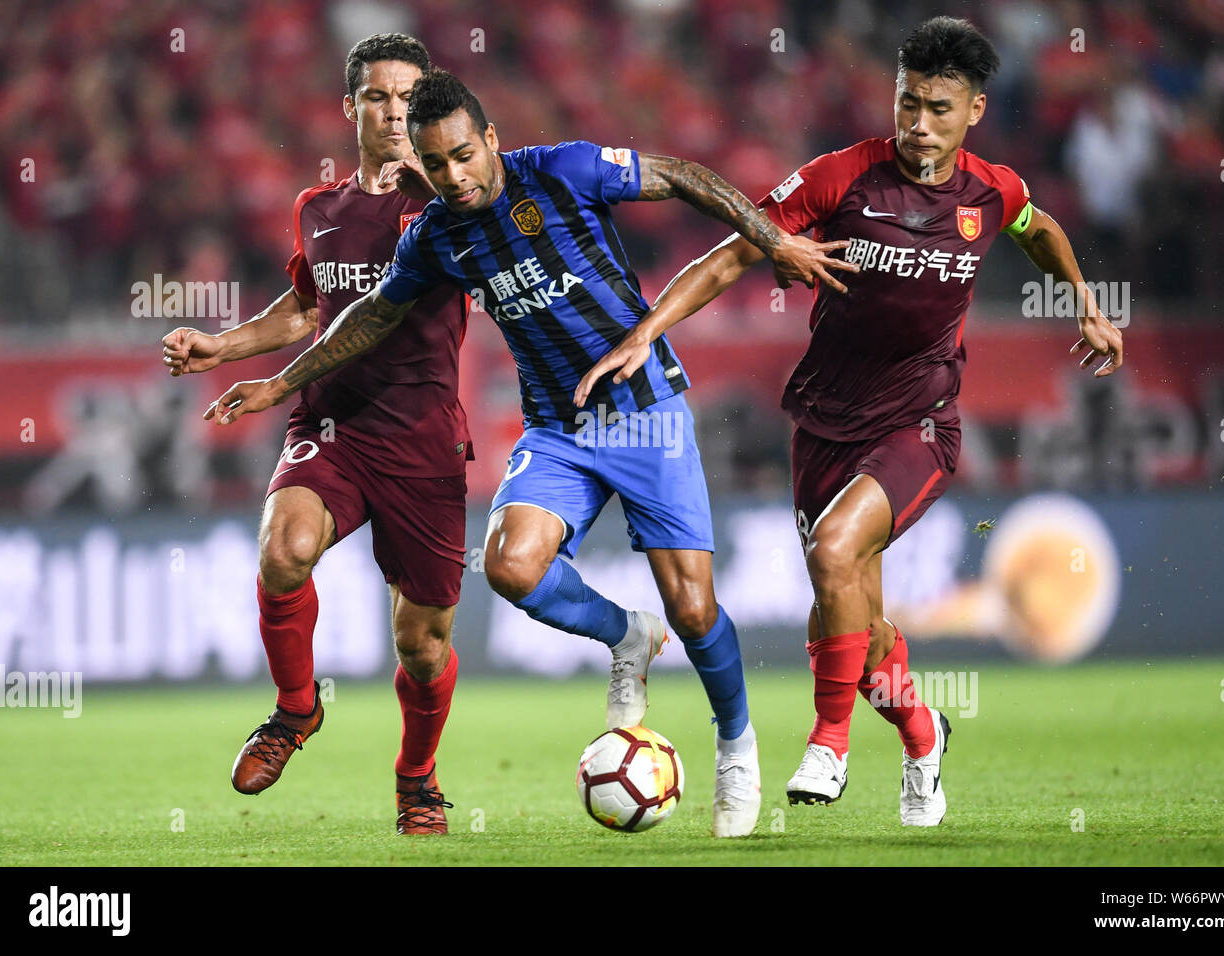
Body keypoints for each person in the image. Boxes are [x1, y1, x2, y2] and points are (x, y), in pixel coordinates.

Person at [205, 68, 851, 838]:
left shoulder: (564, 169)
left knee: (694, 605)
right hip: (557, 426)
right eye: (435, 164)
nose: (453, 175)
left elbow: (679, 176)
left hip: (645, 411)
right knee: (511, 567)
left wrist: (770, 235)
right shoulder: (435, 235)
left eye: (462, 156)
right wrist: (280, 383)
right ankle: (625, 634)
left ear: (491, 142)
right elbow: (370, 318)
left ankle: (736, 745)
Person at [573, 16, 1125, 826]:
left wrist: (1085, 302)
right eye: (907, 102)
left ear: (973, 110)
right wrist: (646, 332)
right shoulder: (839, 179)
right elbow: (734, 252)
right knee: (855, 632)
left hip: (921, 422)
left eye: (938, 107)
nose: (918, 123)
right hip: (825, 425)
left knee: (834, 551)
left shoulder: (990, 191)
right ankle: (923, 730)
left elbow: (1036, 229)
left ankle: (828, 742)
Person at [163, 34, 470, 835]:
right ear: (351, 107)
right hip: (332, 421)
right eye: (378, 96)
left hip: (423, 437)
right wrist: (219, 345)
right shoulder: (319, 208)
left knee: (423, 647)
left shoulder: (450, 207)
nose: (395, 111)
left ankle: (416, 778)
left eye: (409, 97)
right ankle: (296, 711)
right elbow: (308, 310)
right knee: (282, 548)